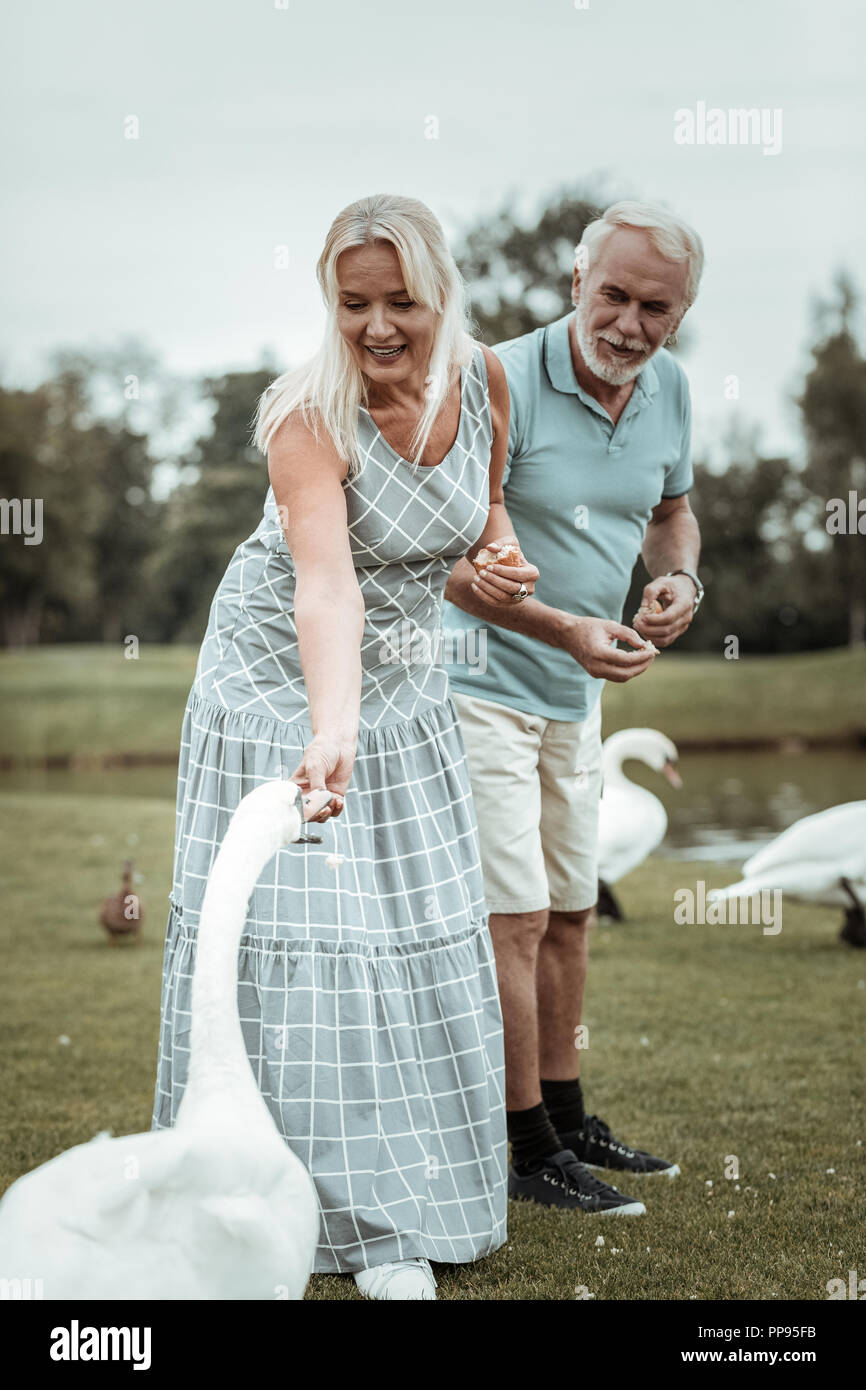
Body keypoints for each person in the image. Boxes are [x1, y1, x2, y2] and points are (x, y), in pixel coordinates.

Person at [150, 193, 541, 1300]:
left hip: (409, 679)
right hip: (280, 683)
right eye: (351, 301)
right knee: (309, 937)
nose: (375, 326)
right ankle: (319, 1214)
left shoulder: (485, 382)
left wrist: (499, 559)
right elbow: (325, 585)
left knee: (405, 935)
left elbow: (486, 510)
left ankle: (403, 1196)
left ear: (441, 296)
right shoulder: (305, 415)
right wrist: (331, 729)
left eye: (399, 302)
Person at [441, 200, 705, 1216]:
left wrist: (680, 584)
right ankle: (520, 1147)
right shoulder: (493, 375)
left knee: (570, 913)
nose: (629, 324)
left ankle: (566, 1111)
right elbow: (456, 565)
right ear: (574, 284)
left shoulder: (671, 388)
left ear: (677, 315)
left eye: (655, 307)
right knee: (510, 921)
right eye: (614, 296)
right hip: (479, 691)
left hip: (574, 695)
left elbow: (673, 514)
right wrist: (566, 631)